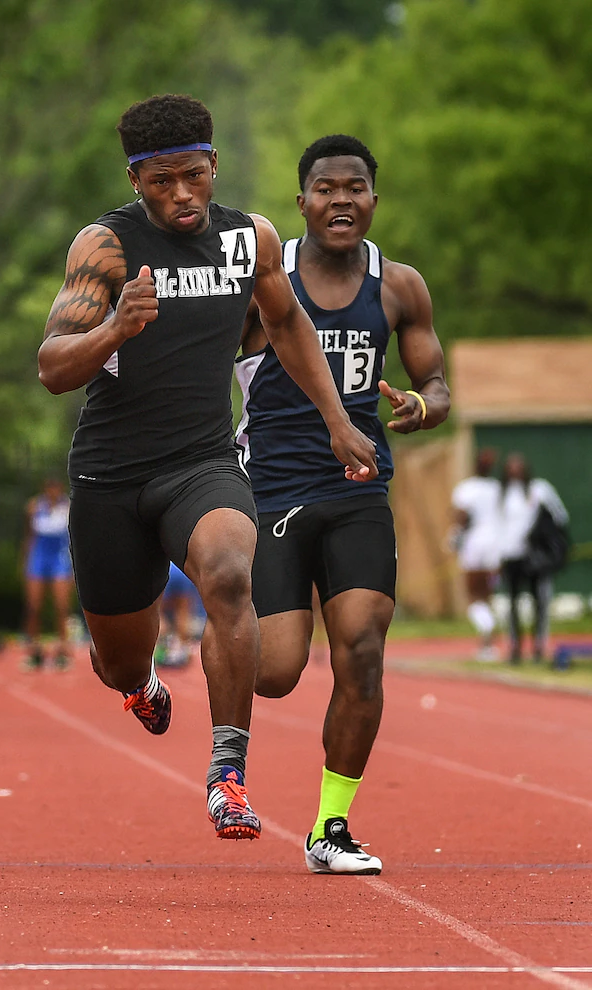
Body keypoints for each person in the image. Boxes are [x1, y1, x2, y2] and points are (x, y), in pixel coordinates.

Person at [37, 95, 378, 840]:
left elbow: (287, 323)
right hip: (111, 477)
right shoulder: (105, 248)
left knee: (228, 572)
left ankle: (228, 773)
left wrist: (337, 421)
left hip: (202, 460)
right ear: (136, 181)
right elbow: (52, 367)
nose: (182, 196)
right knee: (115, 664)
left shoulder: (249, 239)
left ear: (214, 166)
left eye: (193, 177)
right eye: (161, 183)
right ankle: (141, 682)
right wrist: (115, 326)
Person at [239, 134, 451, 874]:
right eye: (325, 189)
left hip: (359, 489)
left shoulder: (399, 287)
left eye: (355, 188)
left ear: (373, 200)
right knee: (276, 671)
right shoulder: (269, 284)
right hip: (271, 489)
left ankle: (331, 826)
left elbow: (438, 383)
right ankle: (217, 637)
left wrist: (423, 406)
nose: (341, 201)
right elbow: (203, 368)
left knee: (362, 649)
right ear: (301, 203)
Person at [499, 453, 569, 663]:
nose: (515, 471)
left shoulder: (540, 489)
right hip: (509, 555)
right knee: (511, 603)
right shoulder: (501, 493)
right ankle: (515, 647)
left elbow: (560, 516)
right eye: (511, 466)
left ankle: (539, 645)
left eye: (519, 466)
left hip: (534, 556)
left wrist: (545, 540)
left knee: (540, 600)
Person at [451, 448, 504, 660]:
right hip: (496, 545)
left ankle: (487, 631)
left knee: (473, 593)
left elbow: (461, 517)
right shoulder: (498, 489)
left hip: (474, 545)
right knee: (487, 594)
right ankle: (488, 640)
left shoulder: (466, 489)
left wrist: (453, 539)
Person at [21, 478, 74, 671]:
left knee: (61, 606)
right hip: (38, 558)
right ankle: (34, 650)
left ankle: (63, 650)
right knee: (33, 606)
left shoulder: (67, 507)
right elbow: (29, 536)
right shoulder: (34, 506)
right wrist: (25, 561)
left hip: (59, 559)